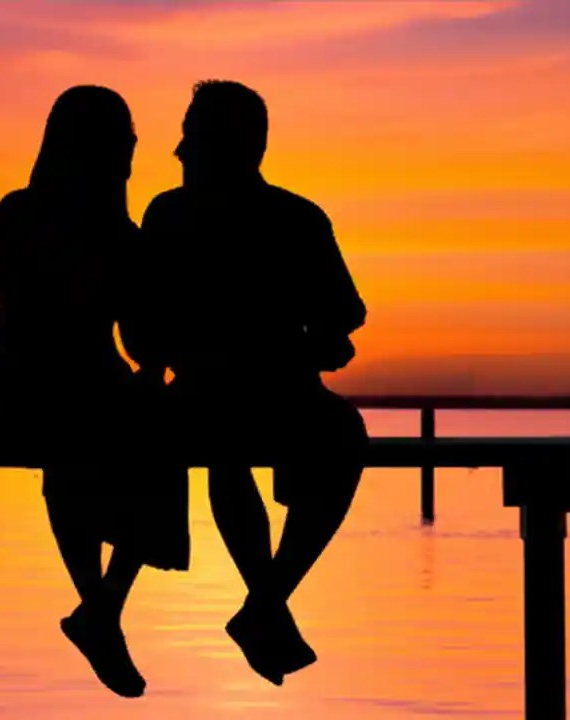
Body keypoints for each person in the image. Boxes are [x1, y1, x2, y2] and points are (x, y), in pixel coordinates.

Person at [0, 85, 189, 699]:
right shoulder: (16, 215)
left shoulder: (120, 234)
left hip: (95, 388)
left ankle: (102, 610)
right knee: (77, 440)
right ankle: (99, 611)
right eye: (124, 143)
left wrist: (158, 368)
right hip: (19, 393)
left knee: (158, 439)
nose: (132, 153)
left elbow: (140, 340)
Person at [129, 80, 368, 686]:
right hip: (237, 397)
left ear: (226, 145)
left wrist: (310, 344)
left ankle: (264, 601)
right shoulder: (289, 216)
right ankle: (265, 604)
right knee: (236, 443)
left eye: (189, 138)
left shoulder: (271, 217)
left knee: (325, 436)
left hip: (258, 394)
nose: (178, 153)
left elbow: (343, 315)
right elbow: (343, 319)